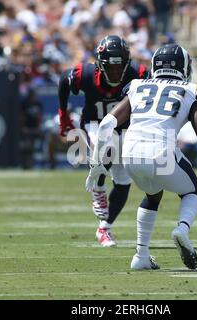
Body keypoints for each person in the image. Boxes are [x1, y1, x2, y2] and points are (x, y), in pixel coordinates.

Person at [86, 43, 197, 270]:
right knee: (191, 191)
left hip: (130, 155)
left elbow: (106, 124)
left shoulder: (137, 86)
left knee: (153, 194)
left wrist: (96, 164)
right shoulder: (192, 90)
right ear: (184, 67)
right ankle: (182, 229)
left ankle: (141, 256)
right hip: (160, 152)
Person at [58, 35, 149, 247]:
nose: (116, 73)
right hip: (94, 124)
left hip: (124, 128)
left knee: (124, 182)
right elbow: (64, 78)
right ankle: (98, 188)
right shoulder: (86, 74)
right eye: (111, 67)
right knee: (105, 141)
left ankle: (104, 228)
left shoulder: (139, 74)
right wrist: (63, 113)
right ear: (100, 65)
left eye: (120, 68)